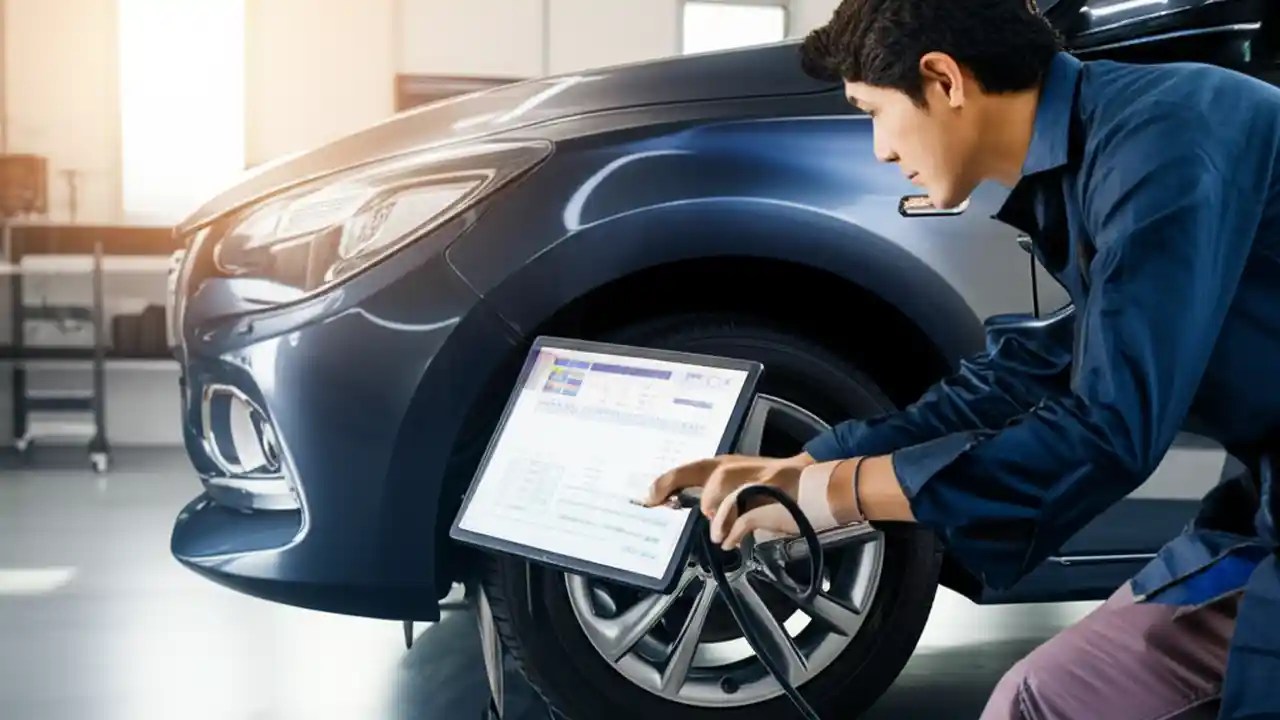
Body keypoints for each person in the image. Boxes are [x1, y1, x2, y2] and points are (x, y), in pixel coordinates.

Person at [642, 1, 1280, 718]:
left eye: (873, 111)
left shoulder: (1166, 140)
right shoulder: (1102, 149)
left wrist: (835, 496)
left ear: (943, 79)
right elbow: (1038, 364)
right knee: (1036, 702)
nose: (880, 149)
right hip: (1262, 508)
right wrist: (804, 467)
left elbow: (1110, 427)